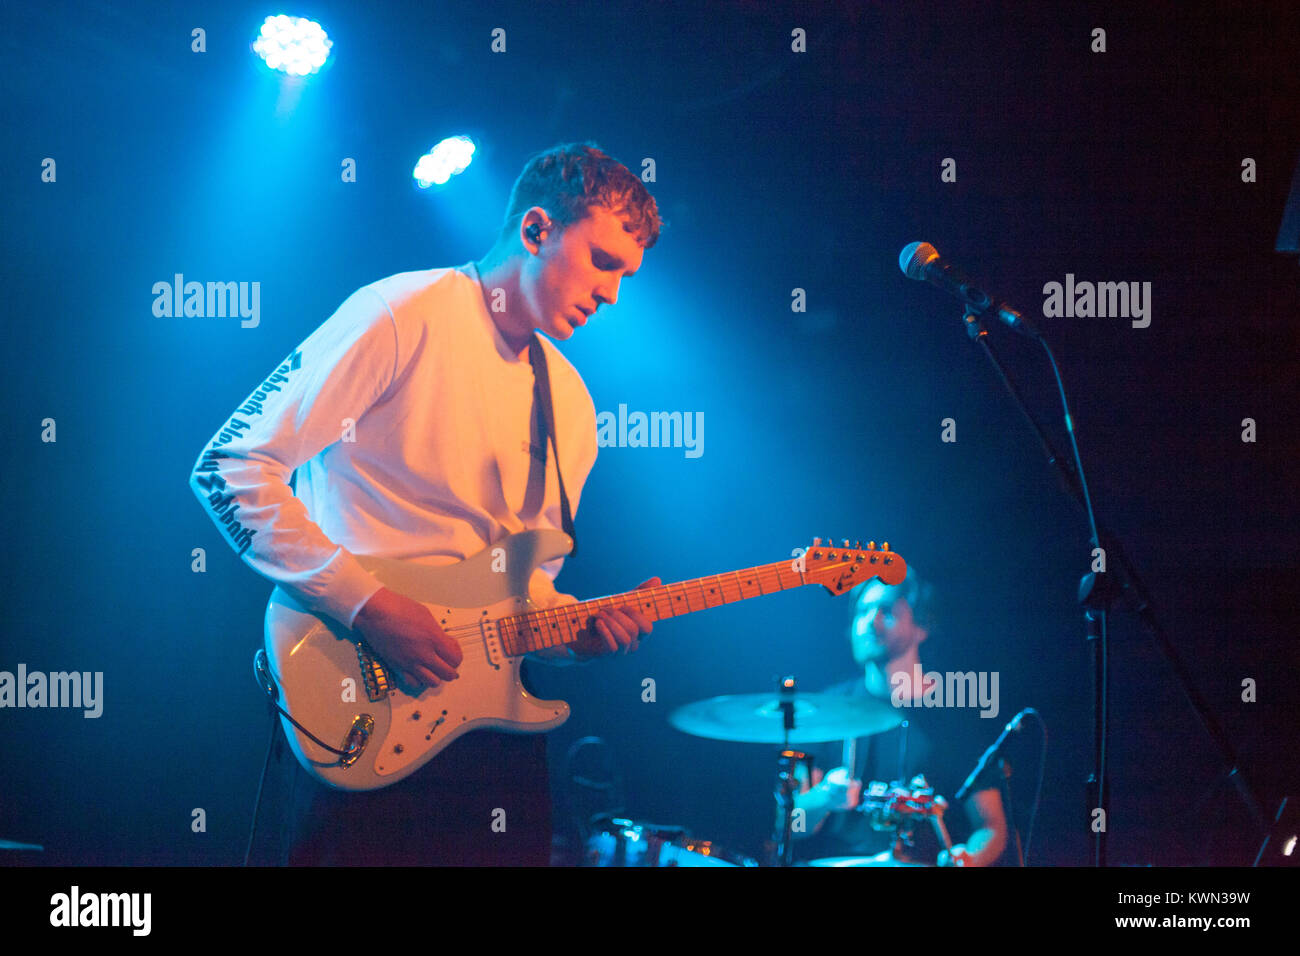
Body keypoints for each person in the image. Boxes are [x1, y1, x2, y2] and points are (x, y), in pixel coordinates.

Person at [189, 142, 662, 865]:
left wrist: (577, 641)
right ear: (536, 230)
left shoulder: (569, 401)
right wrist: (369, 607)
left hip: (493, 745)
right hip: (355, 700)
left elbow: (522, 597)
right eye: (603, 262)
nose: (613, 295)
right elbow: (229, 467)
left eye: (626, 275)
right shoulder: (403, 313)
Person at [793, 571, 1008, 866]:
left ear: (922, 626)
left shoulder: (956, 717)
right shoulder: (824, 710)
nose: (871, 621)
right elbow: (792, 825)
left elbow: (992, 827)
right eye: (862, 612)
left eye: (886, 611)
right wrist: (824, 797)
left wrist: (969, 858)